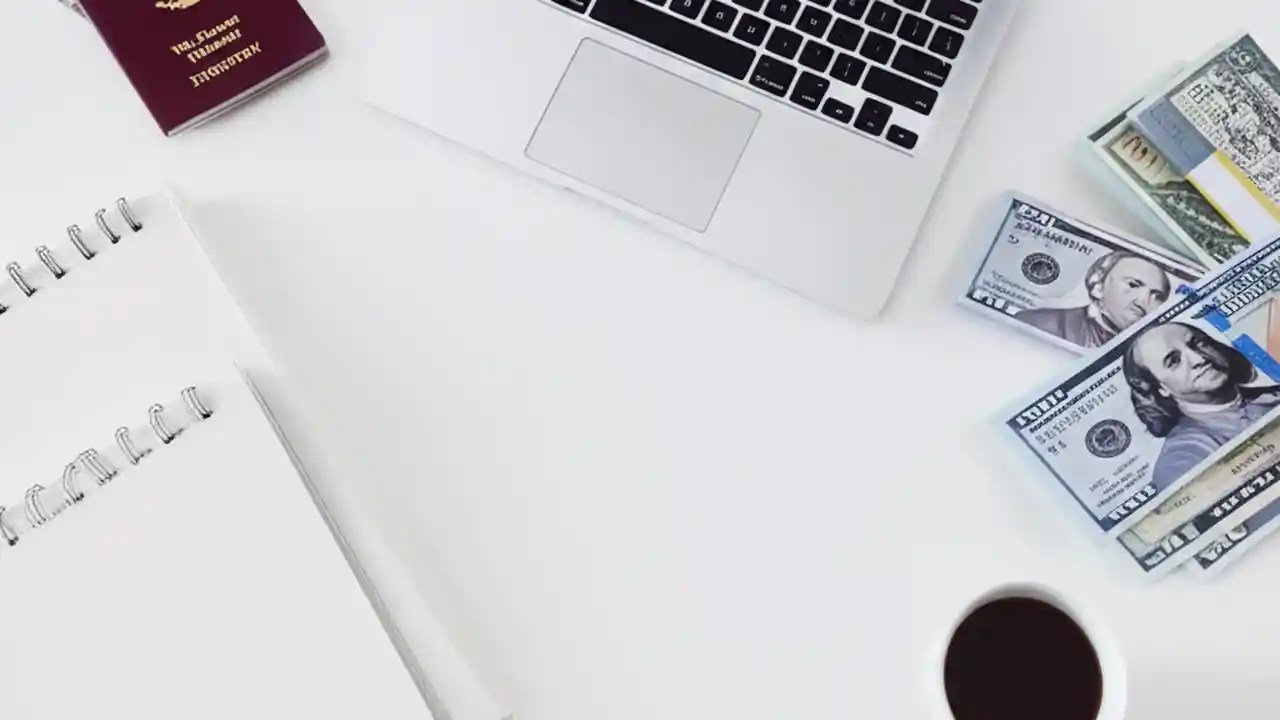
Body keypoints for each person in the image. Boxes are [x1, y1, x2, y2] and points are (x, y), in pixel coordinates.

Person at [1123, 322, 1280, 491]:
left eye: (1198, 343)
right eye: (1174, 361)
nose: (1200, 359)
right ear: (1161, 388)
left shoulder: (1272, 394)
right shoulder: (1183, 457)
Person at [1018, 251, 1171, 348]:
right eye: (1133, 285)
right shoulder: (1036, 323)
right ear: (1098, 287)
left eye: (1157, 296)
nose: (1144, 301)